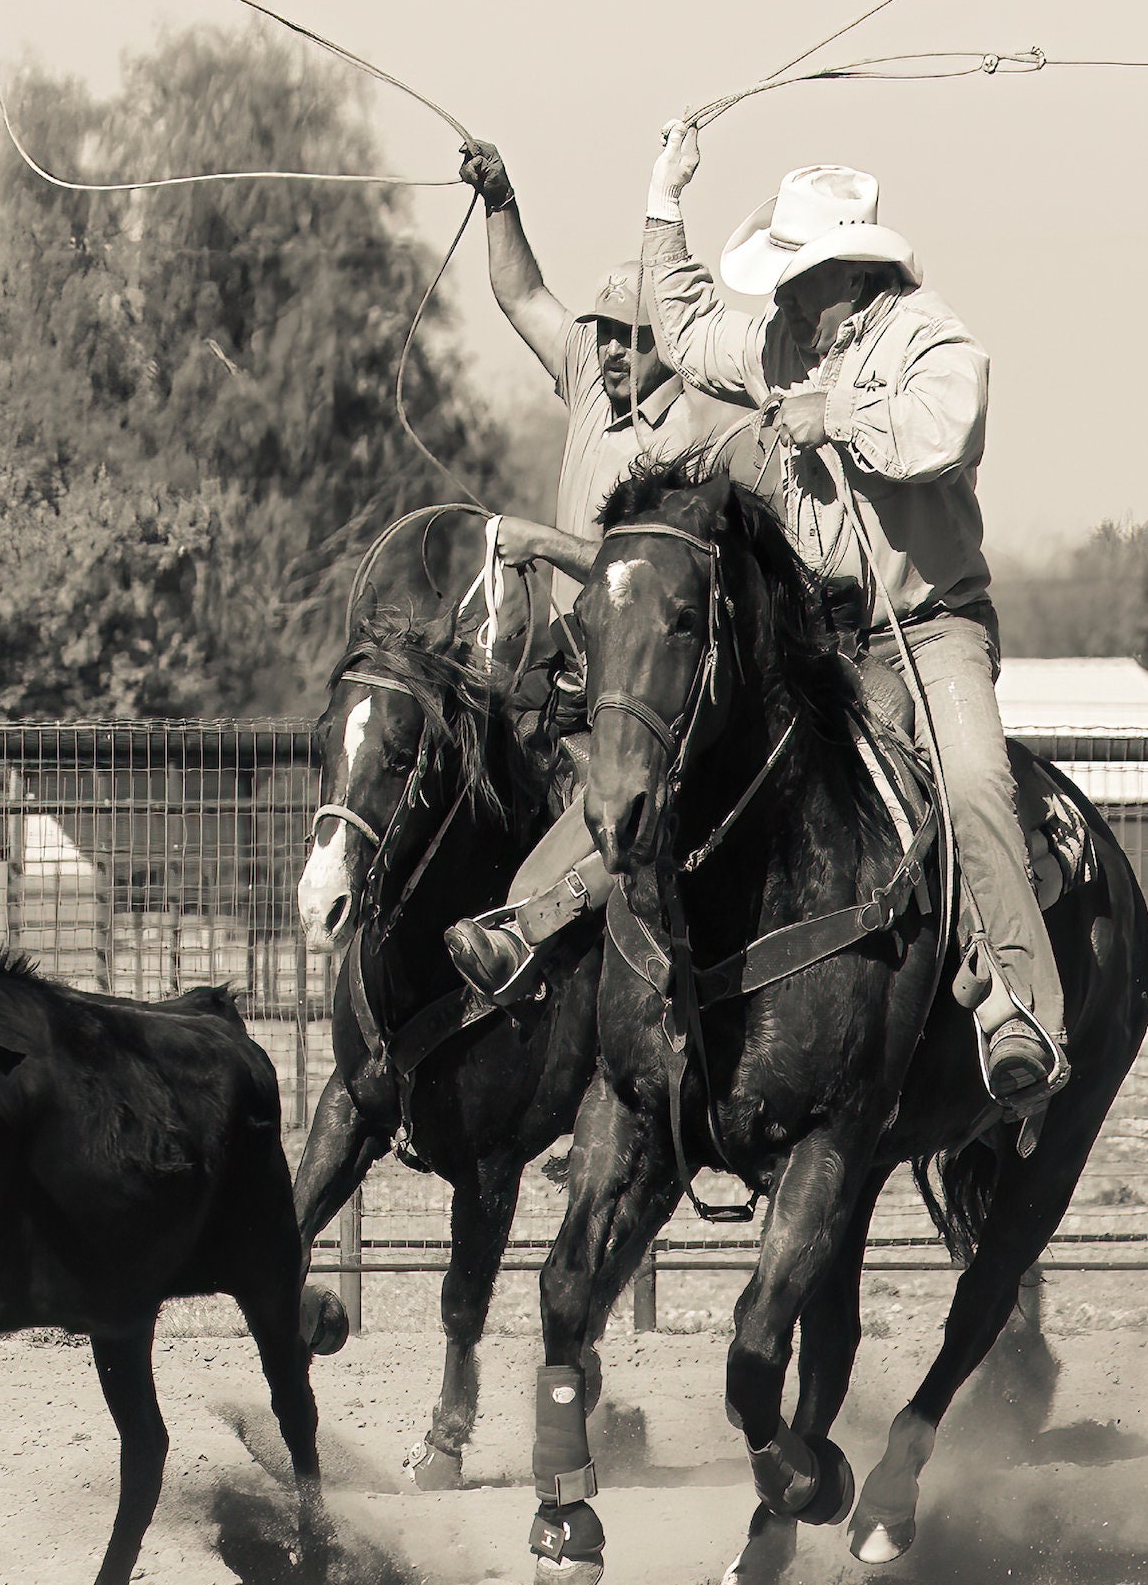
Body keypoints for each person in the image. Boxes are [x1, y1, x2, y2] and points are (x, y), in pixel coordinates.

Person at [626, 123, 1068, 1110]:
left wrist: (838, 416)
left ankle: (1020, 1011)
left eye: (793, 277)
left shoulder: (933, 340)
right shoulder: (786, 342)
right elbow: (691, 333)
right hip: (819, 643)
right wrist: (665, 204)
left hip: (931, 631)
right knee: (679, 756)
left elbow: (942, 436)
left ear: (845, 275)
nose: (776, 297)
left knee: (974, 789)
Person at [434, 138, 738, 1003]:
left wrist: (542, 542)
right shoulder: (584, 377)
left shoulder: (688, 442)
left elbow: (638, 576)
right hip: (572, 647)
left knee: (617, 801)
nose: (609, 351)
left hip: (639, 669)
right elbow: (519, 292)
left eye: (632, 338)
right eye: (604, 333)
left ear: (666, 346)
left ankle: (532, 936)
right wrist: (500, 201)